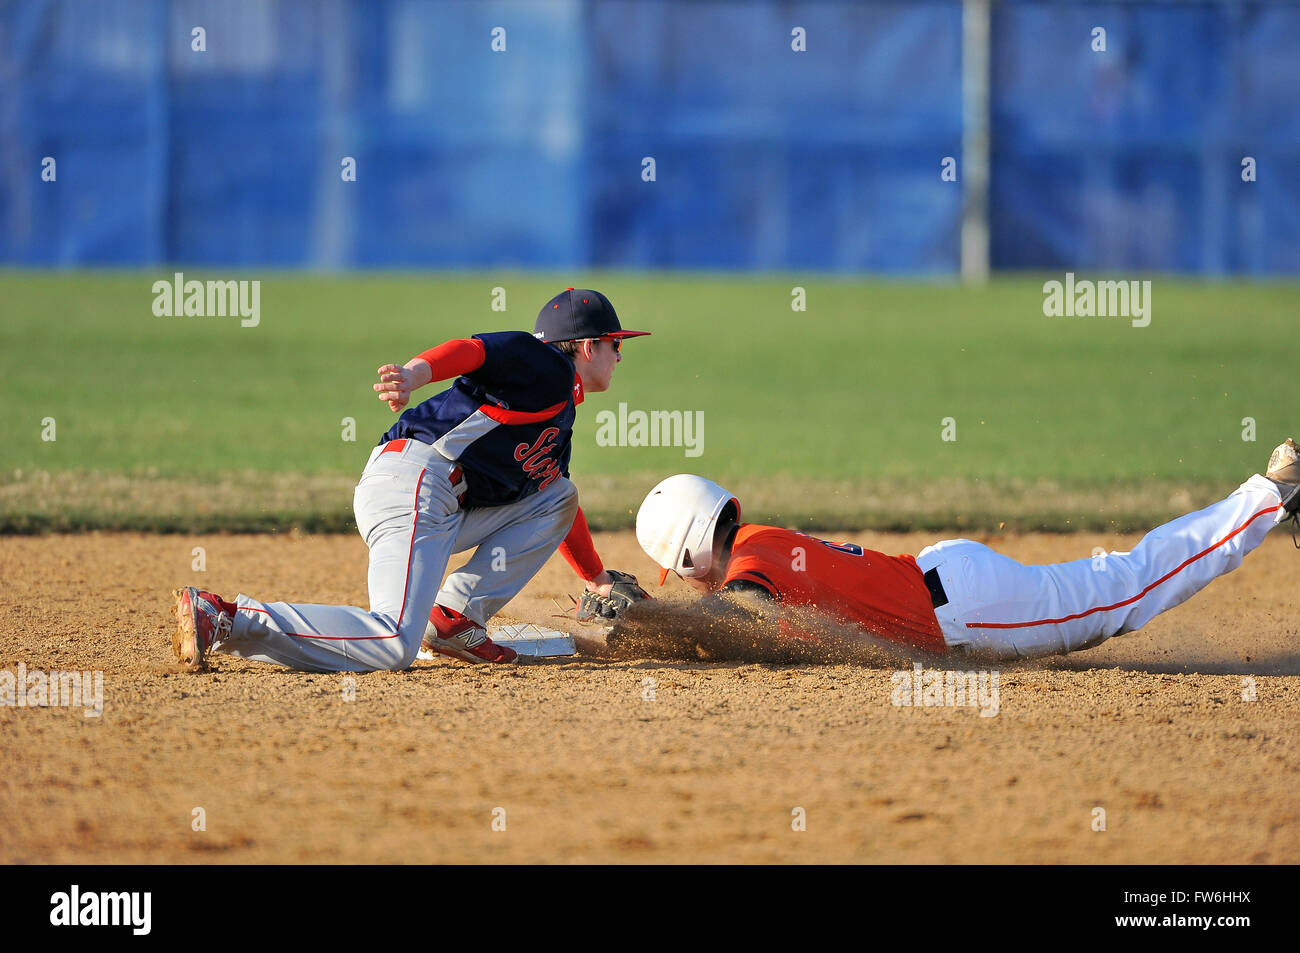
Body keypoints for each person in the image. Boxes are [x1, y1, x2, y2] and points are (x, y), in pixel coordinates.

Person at [171, 288, 650, 671]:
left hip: (439, 504)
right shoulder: (543, 363)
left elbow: (555, 503)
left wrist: (598, 579)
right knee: (393, 642)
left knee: (559, 495)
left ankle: (455, 619)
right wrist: (415, 373)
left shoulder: (559, 413)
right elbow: (474, 350)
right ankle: (229, 618)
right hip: (415, 484)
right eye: (616, 344)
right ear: (588, 345)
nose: (620, 356)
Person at [631, 440, 1300, 660]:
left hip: (967, 608)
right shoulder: (759, 543)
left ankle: (1273, 492)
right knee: (1119, 584)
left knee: (1126, 589)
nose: (684, 586)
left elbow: (733, 617)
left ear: (690, 555)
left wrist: (638, 620)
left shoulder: (753, 565)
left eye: (677, 576)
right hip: (950, 581)